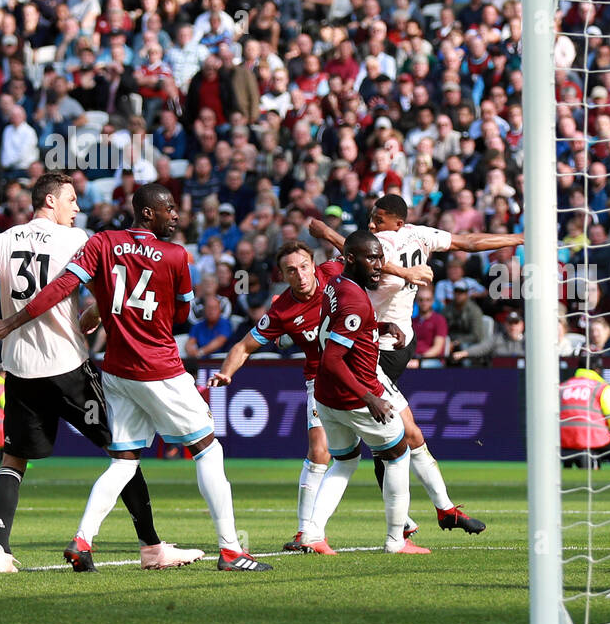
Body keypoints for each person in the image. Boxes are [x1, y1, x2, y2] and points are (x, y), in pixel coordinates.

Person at [0, 183, 268, 572]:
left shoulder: (102, 243)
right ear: (148, 213)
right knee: (208, 449)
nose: (176, 216)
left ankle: (83, 541)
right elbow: (181, 317)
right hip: (159, 367)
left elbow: (60, 288)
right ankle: (231, 550)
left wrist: (10, 322)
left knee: (123, 460)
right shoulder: (177, 255)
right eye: (169, 209)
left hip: (115, 371)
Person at [309, 194, 522, 535]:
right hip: (370, 349)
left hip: (393, 345)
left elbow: (468, 242)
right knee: (404, 437)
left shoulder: (402, 238)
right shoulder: (397, 241)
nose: (371, 225)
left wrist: (520, 238)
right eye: (370, 218)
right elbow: (363, 256)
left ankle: (421, 515)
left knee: (389, 443)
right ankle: (430, 514)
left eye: (378, 219)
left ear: (398, 222)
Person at [208, 240, 430, 553]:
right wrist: (227, 372)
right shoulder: (283, 310)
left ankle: (404, 518)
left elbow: (361, 255)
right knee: (331, 452)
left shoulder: (334, 274)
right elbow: (244, 346)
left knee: (365, 451)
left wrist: (379, 320)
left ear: (315, 265)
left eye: (303, 266)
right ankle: (364, 533)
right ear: (283, 276)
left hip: (352, 375)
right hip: (330, 379)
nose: (299, 275)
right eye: (290, 270)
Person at [301, 230, 428, 555]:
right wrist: (369, 397)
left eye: (380, 257)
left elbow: (343, 329)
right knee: (398, 453)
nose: (379, 264)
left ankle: (312, 533)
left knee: (344, 461)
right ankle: (396, 540)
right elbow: (332, 359)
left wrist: (380, 327)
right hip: (355, 395)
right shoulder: (355, 299)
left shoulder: (336, 284)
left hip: (325, 397)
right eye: (372, 258)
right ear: (352, 258)